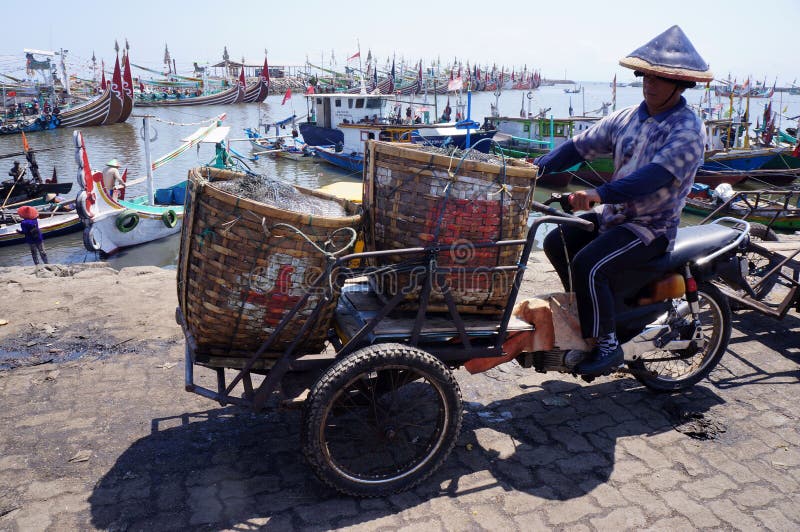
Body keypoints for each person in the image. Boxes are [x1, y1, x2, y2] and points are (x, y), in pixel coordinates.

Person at [535, 25, 712, 376]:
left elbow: (653, 178)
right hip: (614, 217)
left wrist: (598, 194)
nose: (649, 83)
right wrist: (534, 171)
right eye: (645, 75)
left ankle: (606, 344)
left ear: (680, 84)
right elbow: (578, 146)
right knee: (558, 241)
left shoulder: (688, 129)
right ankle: (591, 313)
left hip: (650, 228)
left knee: (589, 264)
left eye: (659, 78)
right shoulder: (629, 117)